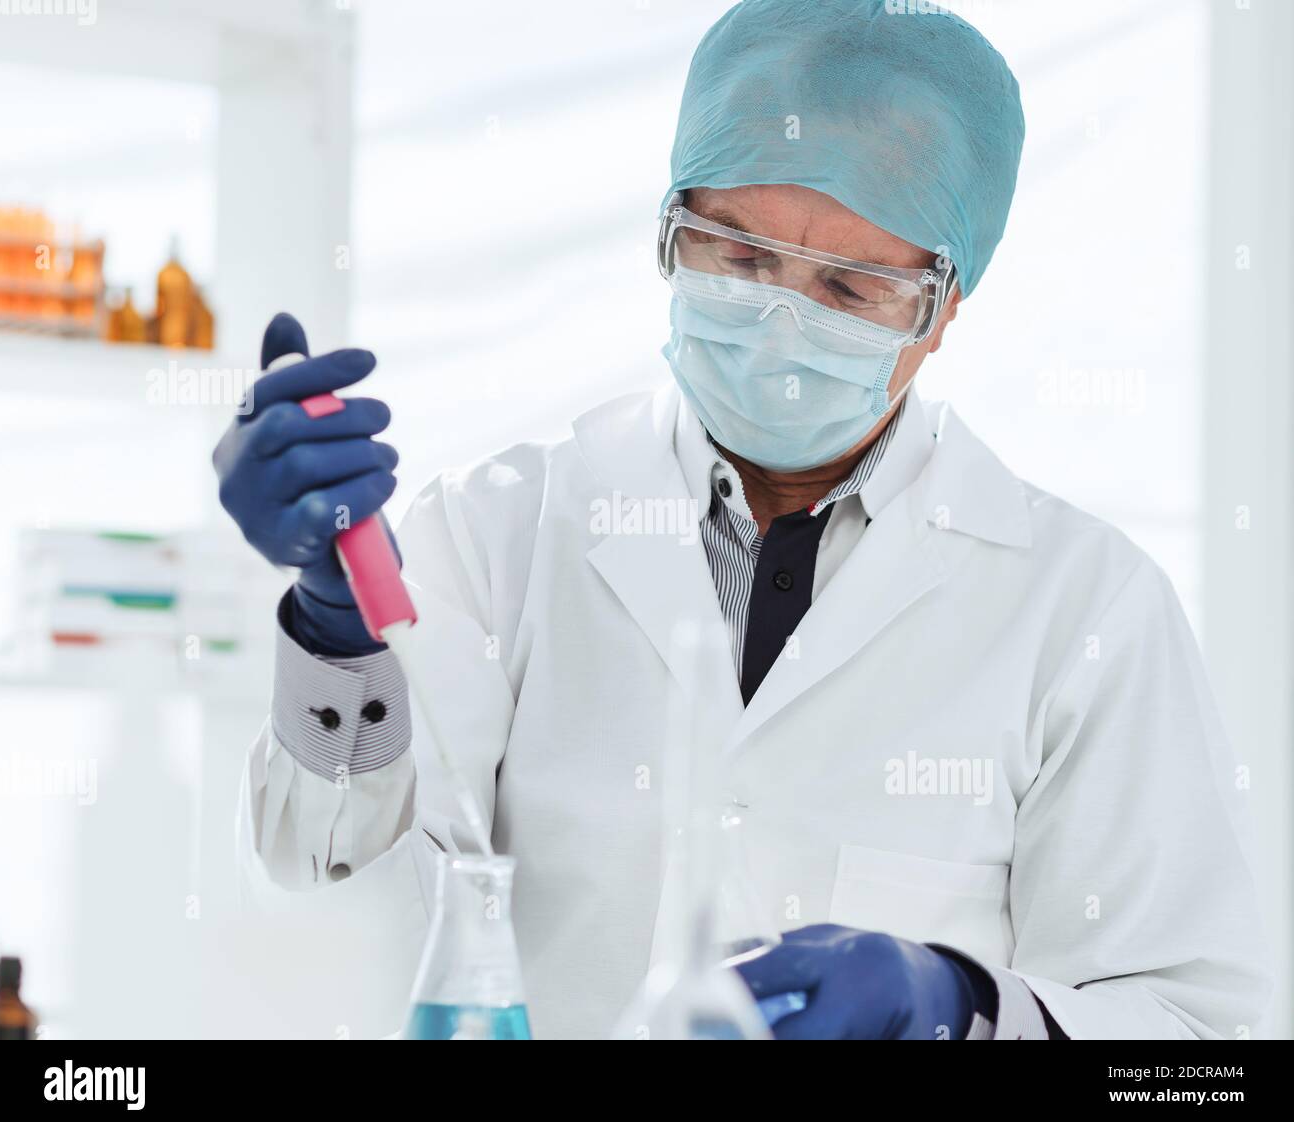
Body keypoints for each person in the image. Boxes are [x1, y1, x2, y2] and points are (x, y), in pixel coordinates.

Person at [213, 0, 1269, 1039]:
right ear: (668, 235)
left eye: (850, 289)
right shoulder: (502, 533)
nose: (781, 319)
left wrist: (963, 1003)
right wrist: (337, 647)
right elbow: (341, 935)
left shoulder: (1085, 608)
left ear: (942, 312)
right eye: (741, 256)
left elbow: (1186, 1040)